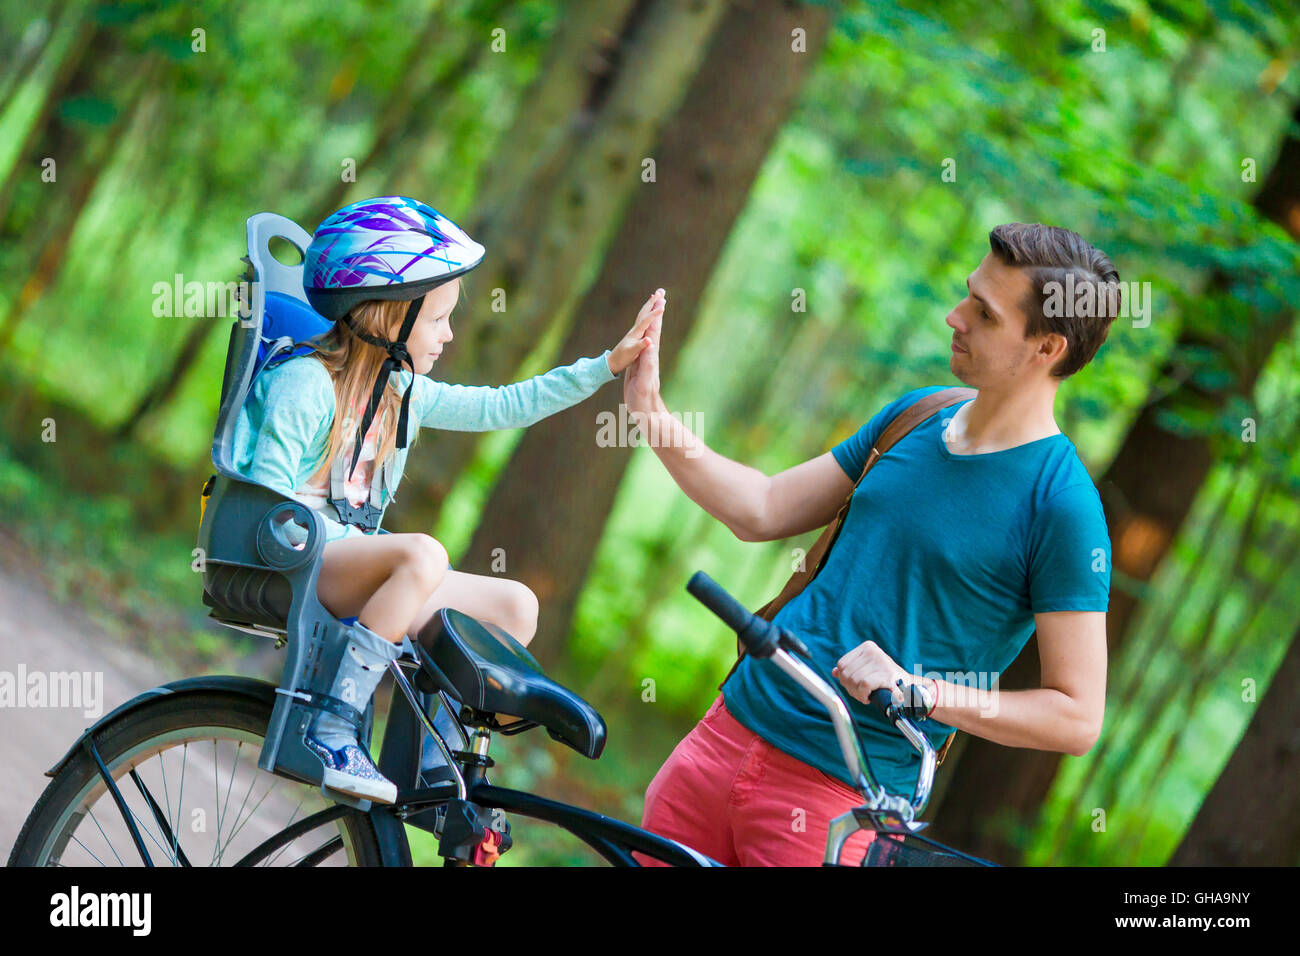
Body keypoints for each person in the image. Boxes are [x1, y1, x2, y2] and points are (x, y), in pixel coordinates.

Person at [626, 223, 1116, 866]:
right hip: (723, 735)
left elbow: (1076, 717)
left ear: (1045, 347)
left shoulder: (1062, 506)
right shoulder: (917, 414)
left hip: (838, 804)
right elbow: (763, 507)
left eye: (984, 313)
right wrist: (652, 413)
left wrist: (921, 690)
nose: (955, 316)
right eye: (968, 295)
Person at [233, 196, 664, 803]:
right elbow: (266, 505)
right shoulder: (302, 386)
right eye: (438, 319)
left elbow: (505, 404)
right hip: (297, 563)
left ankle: (431, 756)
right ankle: (332, 727)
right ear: (388, 314)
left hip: (351, 564)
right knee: (423, 556)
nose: (450, 333)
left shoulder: (402, 392)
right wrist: (344, 547)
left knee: (515, 608)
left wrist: (604, 367)